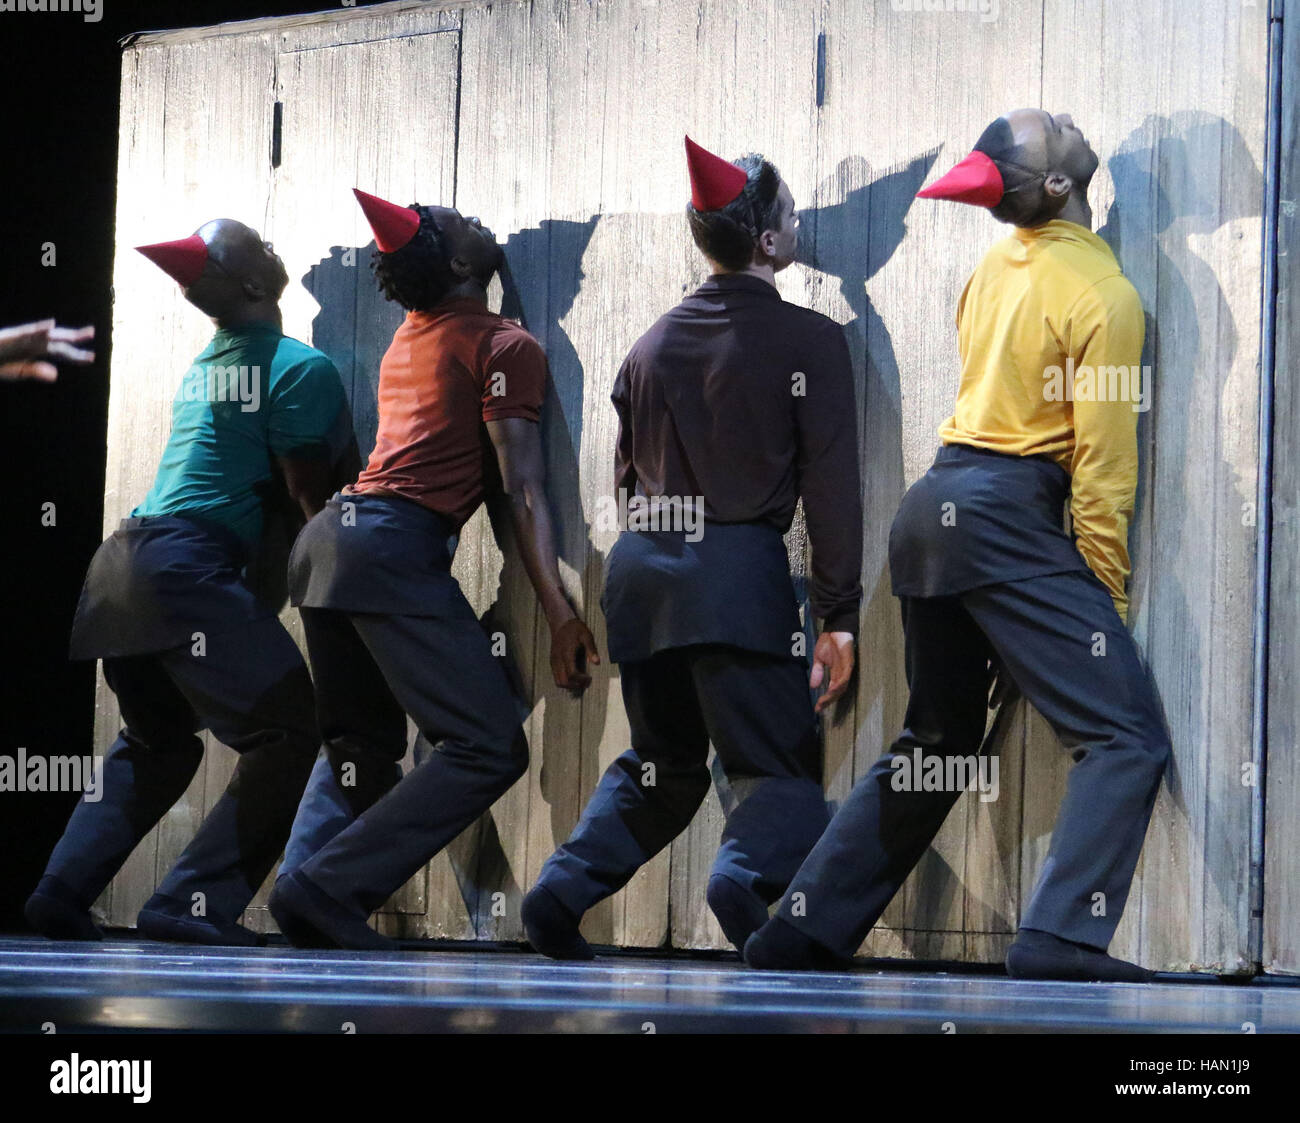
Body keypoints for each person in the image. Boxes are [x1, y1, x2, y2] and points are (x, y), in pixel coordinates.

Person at [744, 110, 1171, 982]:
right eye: (1050, 129)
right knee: (1124, 734)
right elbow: (1101, 470)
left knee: (937, 740)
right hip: (1007, 514)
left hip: (933, 508)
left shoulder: (989, 273)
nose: (1062, 120)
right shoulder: (1107, 297)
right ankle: (1060, 936)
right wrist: (1101, 612)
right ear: (1058, 185)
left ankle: (801, 926)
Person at [521, 137, 862, 960]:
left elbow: (627, 479)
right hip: (734, 576)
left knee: (663, 764)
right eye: (789, 214)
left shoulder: (647, 346)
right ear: (772, 243)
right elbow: (832, 491)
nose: (797, 223)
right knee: (776, 768)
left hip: (643, 575)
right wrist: (840, 614)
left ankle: (560, 889)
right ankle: (738, 878)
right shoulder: (809, 342)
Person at [267, 189, 598, 950]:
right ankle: (325, 887)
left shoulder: (406, 340)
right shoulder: (507, 344)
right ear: (456, 261)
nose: (477, 219)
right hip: (389, 546)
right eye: (462, 223)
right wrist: (560, 613)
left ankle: (302, 884)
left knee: (359, 744)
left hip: (327, 545)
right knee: (488, 744)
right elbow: (518, 487)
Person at [25, 220, 355, 946]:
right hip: (183, 569)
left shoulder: (209, 365)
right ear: (251, 282)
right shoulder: (302, 368)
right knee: (288, 726)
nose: (274, 246)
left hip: (120, 568)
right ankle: (189, 902)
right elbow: (313, 511)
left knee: (158, 742)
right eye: (260, 245)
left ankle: (59, 890)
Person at [0, 319, 94, 381]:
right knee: (58, 347)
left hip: (30, 340)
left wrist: (36, 328)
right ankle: (81, 354)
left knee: (56, 342)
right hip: (28, 346)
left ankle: (78, 345)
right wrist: (34, 370)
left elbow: (17, 333)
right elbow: (21, 370)